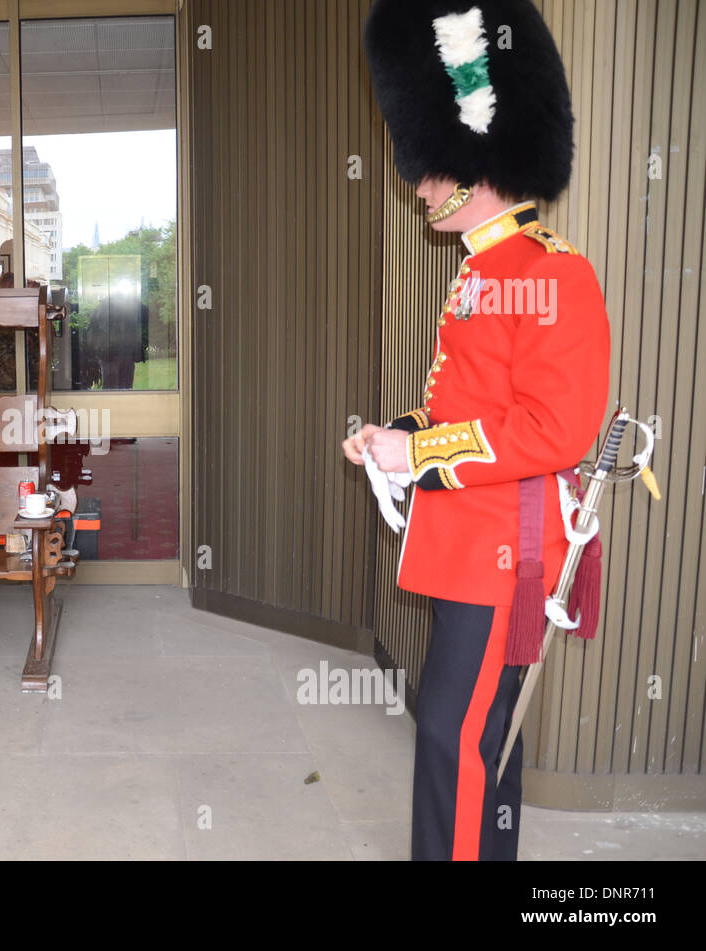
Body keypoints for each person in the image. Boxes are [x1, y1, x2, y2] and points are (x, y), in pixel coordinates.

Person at [344, 0, 610, 860]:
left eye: (428, 165)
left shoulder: (553, 274)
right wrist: (400, 437)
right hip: (471, 540)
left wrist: (420, 453)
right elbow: (464, 406)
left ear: (474, 162)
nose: (417, 182)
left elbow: (554, 429)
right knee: (482, 735)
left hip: (508, 549)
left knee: (454, 737)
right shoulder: (481, 274)